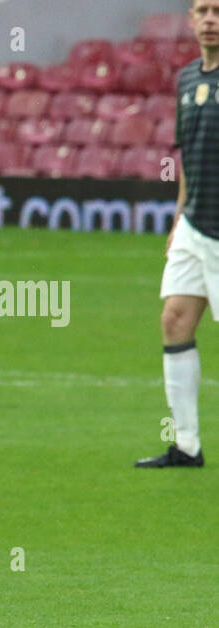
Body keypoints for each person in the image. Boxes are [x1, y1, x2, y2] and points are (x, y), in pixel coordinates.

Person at [136, 0, 219, 468]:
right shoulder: (187, 79)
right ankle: (187, 445)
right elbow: (185, 155)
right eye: (203, 10)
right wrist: (177, 219)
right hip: (194, 222)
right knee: (174, 320)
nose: (210, 19)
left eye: (218, 11)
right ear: (190, 20)